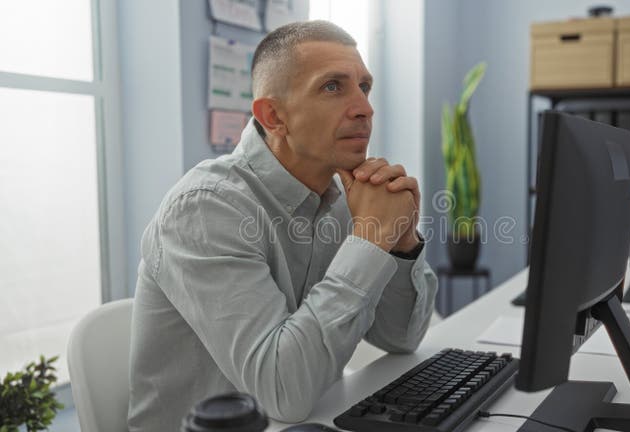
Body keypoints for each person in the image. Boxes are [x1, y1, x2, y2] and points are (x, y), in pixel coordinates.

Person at [127, 20, 438, 431]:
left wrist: (399, 241)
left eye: (364, 86)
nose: (365, 107)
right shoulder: (204, 210)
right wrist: (370, 239)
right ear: (274, 116)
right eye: (332, 86)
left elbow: (401, 339)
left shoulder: (347, 196)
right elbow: (282, 393)